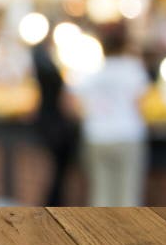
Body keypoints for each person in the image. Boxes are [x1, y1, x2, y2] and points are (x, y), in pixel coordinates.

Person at [72, 23, 149, 206]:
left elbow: (73, 104)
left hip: (97, 135)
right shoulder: (132, 69)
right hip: (126, 134)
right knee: (127, 195)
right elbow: (141, 104)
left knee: (100, 194)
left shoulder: (90, 70)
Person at [32, 34, 79, 206]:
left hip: (48, 124)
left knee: (55, 173)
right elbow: (65, 101)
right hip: (56, 125)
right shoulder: (49, 69)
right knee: (57, 173)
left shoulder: (43, 66)